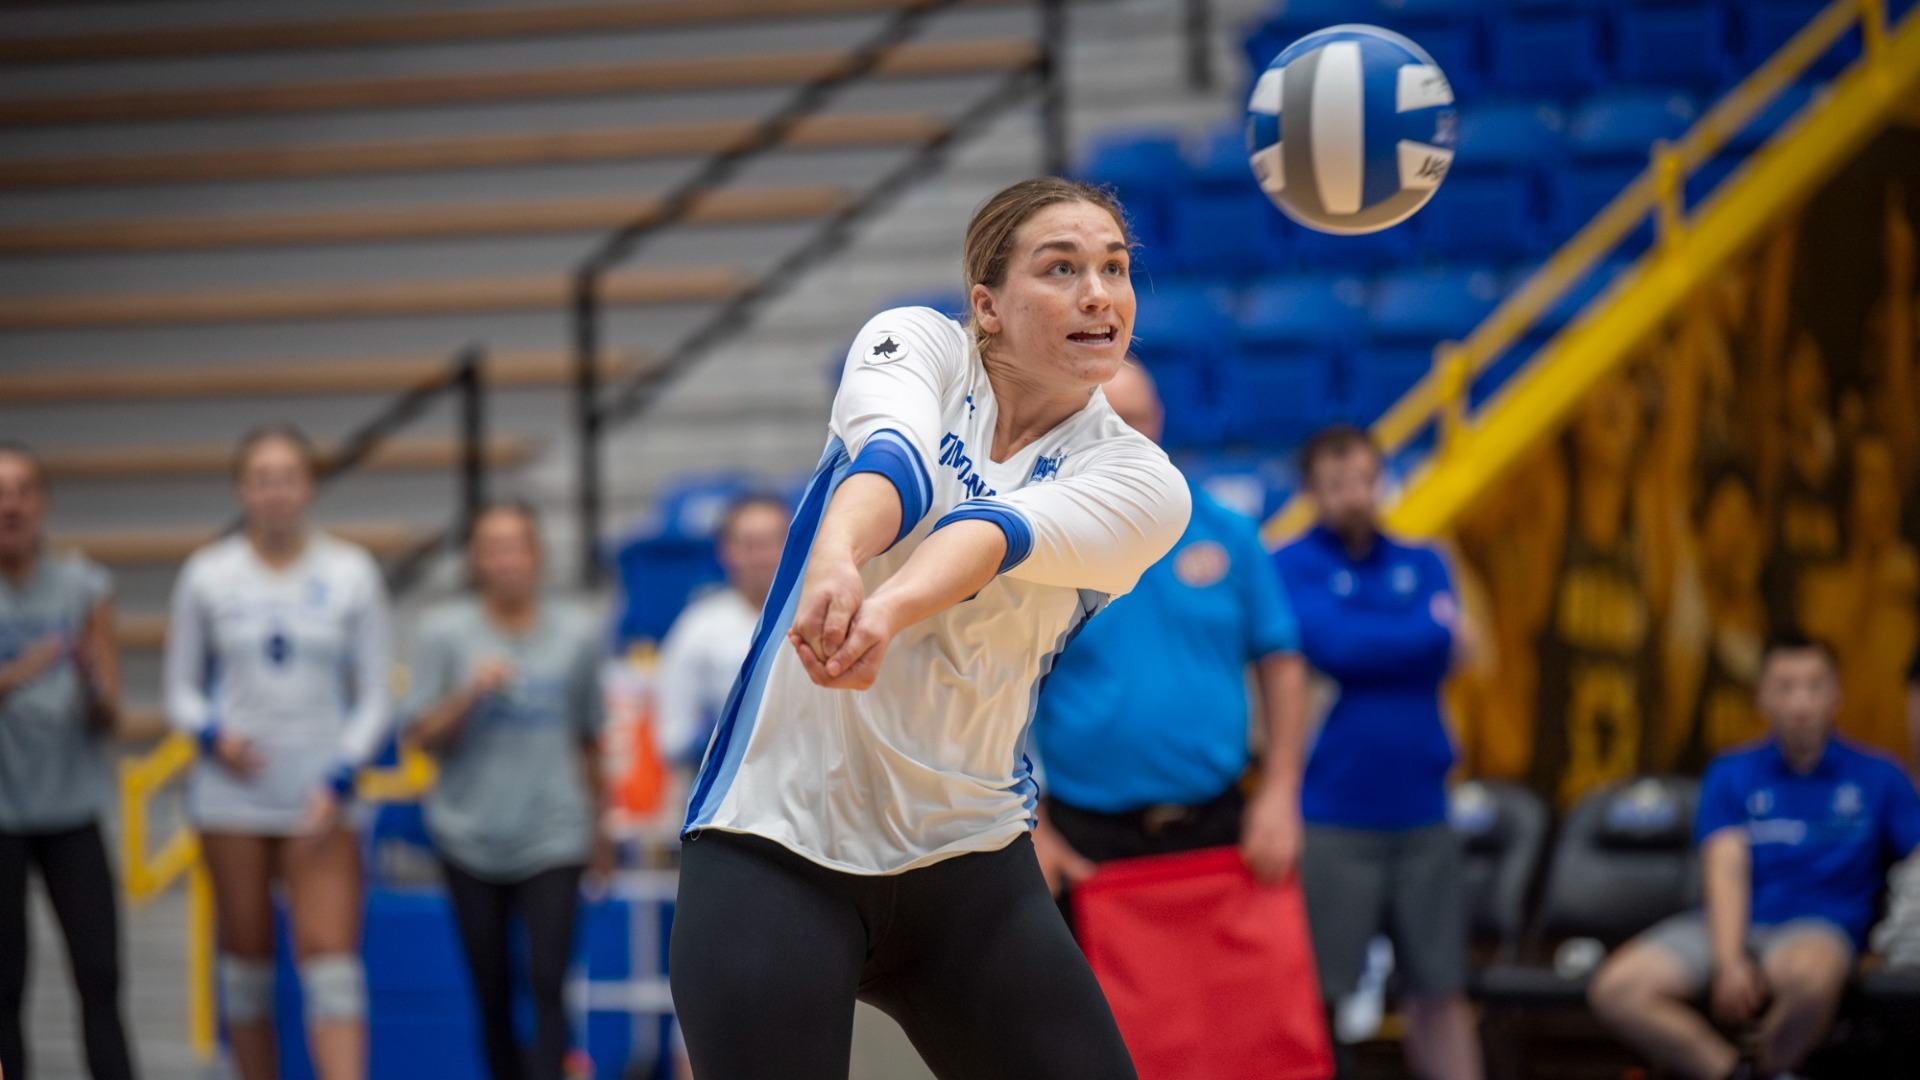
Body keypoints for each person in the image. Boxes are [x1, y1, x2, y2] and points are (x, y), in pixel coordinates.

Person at [668, 176, 1190, 1080]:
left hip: (968, 863)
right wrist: (836, 557)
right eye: (1060, 269)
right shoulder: (916, 342)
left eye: (1114, 268)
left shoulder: (1146, 483)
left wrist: (884, 609)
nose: (1098, 293)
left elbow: (988, 533)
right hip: (776, 836)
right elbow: (893, 461)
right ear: (986, 306)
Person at [1029, 361, 1308, 898]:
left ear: (1158, 420)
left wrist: (1280, 790)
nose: (1126, 436)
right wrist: (1029, 825)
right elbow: (991, 694)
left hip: (1223, 829)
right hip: (1086, 842)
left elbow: (1281, 660)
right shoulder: (1043, 546)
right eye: (1107, 419)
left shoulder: (1227, 531)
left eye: (1137, 418)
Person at [164, 424, 392, 1080]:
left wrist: (343, 772)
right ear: (243, 489)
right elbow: (178, 692)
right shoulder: (208, 575)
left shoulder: (351, 572)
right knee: (245, 968)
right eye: (262, 479)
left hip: (319, 796)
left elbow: (377, 694)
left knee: (333, 969)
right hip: (231, 795)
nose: (275, 492)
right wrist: (213, 735)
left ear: (310, 485)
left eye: (287, 477)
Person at [1588, 633, 1920, 1080]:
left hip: (1818, 929)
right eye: (1785, 686)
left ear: (1837, 694)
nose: (1801, 701)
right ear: (1761, 697)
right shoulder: (1732, 771)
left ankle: (1774, 1065)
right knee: (1617, 987)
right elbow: (1726, 865)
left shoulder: (1880, 776)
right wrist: (1728, 961)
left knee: (1813, 979)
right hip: (1729, 923)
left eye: (1814, 685)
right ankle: (1732, 1073)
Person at [1271, 425, 1483, 1080]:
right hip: (1334, 815)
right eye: (1336, 484)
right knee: (1320, 991)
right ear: (1311, 492)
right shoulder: (1289, 565)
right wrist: (1413, 634)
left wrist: (1378, 640)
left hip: (1424, 809)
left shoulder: (1425, 558)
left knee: (1441, 988)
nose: (1354, 496)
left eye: (1365, 479)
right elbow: (1335, 646)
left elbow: (1456, 648)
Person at [404, 502, 610, 1080]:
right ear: (475, 559)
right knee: (491, 988)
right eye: (491, 548)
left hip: (555, 832)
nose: (505, 560)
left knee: (549, 981)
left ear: (537, 555)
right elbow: (420, 736)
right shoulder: (442, 631)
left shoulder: (576, 632)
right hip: (469, 833)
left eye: (515, 545)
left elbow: (589, 736)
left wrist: (602, 827)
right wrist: (470, 694)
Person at [0, 443, 136, 1080]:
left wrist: (88, 679)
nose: (11, 503)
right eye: (1, 491)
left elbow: (112, 718)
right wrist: (24, 670)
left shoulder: (83, 586)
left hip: (71, 807)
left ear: (44, 503)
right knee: (4, 984)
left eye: (24, 489)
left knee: (101, 977)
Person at [655, 494, 790, 765]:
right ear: (725, 551)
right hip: (731, 791)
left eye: (772, 542)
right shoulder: (699, 626)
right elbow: (672, 736)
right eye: (749, 544)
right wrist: (722, 740)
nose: (762, 556)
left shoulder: (827, 613)